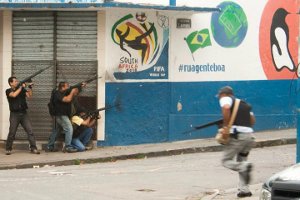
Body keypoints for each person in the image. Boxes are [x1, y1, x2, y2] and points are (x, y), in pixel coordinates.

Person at [217, 86, 256, 198]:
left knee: (225, 160)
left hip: (238, 136)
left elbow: (225, 107)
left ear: (225, 94)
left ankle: (244, 166)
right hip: (249, 137)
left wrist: (226, 127)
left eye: (219, 96)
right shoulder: (244, 104)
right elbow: (253, 120)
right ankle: (244, 190)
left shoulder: (226, 98)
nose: (219, 97)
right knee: (241, 160)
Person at [5, 76, 40, 155]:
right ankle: (8, 148)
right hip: (14, 114)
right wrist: (21, 87)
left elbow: (29, 96)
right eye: (15, 81)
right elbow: (13, 95)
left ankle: (33, 148)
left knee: (30, 131)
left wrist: (30, 87)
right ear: (11, 83)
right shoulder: (8, 90)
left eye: (17, 81)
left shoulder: (22, 89)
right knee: (12, 132)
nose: (17, 82)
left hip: (24, 113)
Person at [46, 81, 83, 153]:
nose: (68, 87)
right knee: (69, 129)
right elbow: (67, 99)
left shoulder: (64, 92)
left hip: (63, 115)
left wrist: (80, 86)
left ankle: (49, 146)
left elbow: (74, 92)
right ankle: (68, 147)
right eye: (67, 86)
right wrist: (72, 92)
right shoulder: (57, 94)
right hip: (61, 115)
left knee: (57, 131)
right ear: (62, 87)